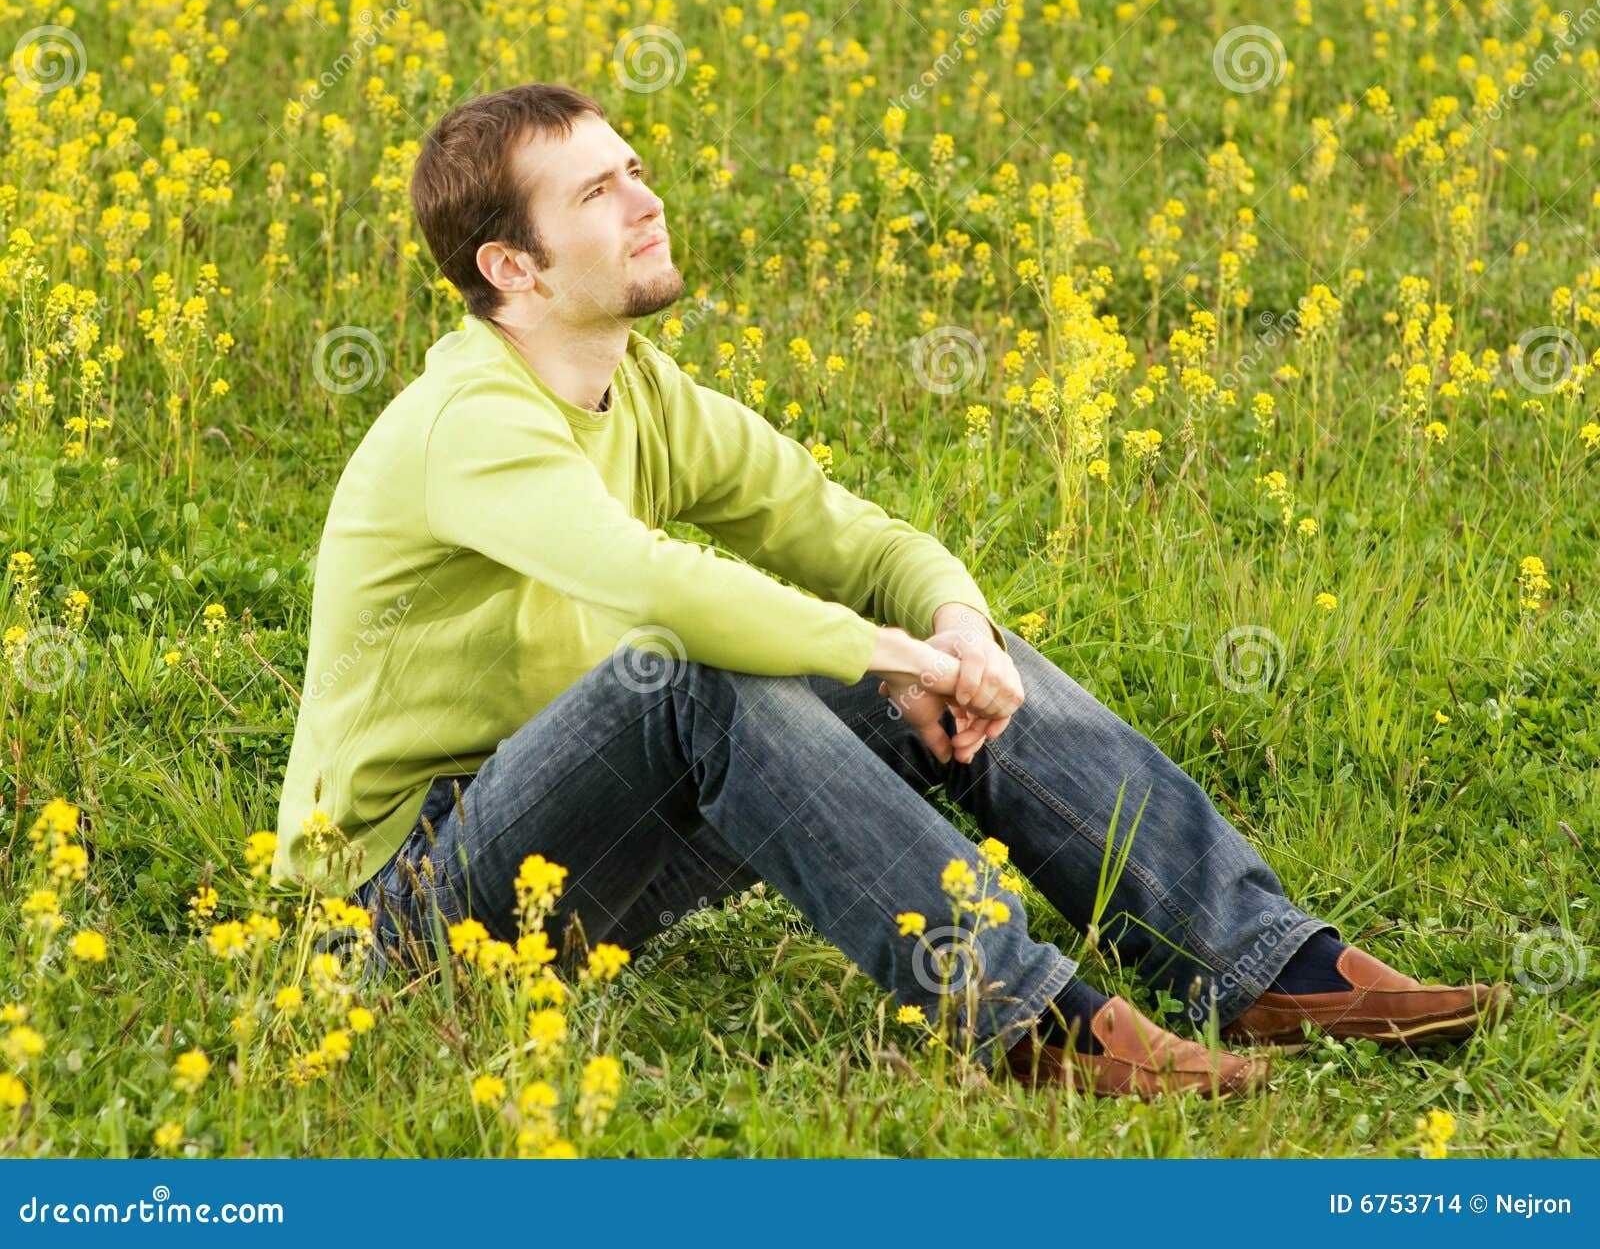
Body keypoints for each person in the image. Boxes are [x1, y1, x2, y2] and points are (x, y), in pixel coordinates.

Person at [272, 82, 1511, 1100]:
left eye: (635, 169)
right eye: (598, 193)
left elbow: (848, 535)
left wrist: (951, 632)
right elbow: (649, 580)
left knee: (941, 648)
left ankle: (1260, 968)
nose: (649, 203)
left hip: (569, 865)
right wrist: (888, 659)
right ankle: (1043, 1029)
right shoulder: (468, 422)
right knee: (692, 679)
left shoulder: (640, 390)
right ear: (513, 266)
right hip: (405, 916)